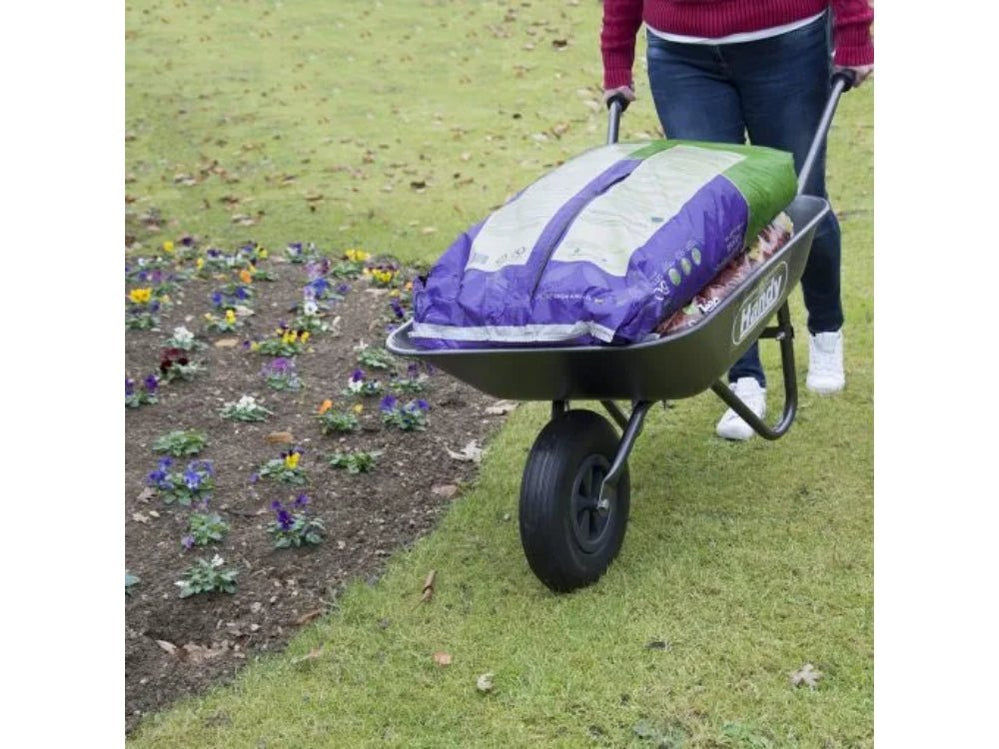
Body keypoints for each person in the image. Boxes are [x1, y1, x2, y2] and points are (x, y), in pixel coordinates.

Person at [601, 1, 874, 440]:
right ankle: (744, 376)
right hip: (681, 53)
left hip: (787, 41)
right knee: (715, 225)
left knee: (802, 202)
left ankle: (826, 329)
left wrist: (855, 31)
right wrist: (616, 57)